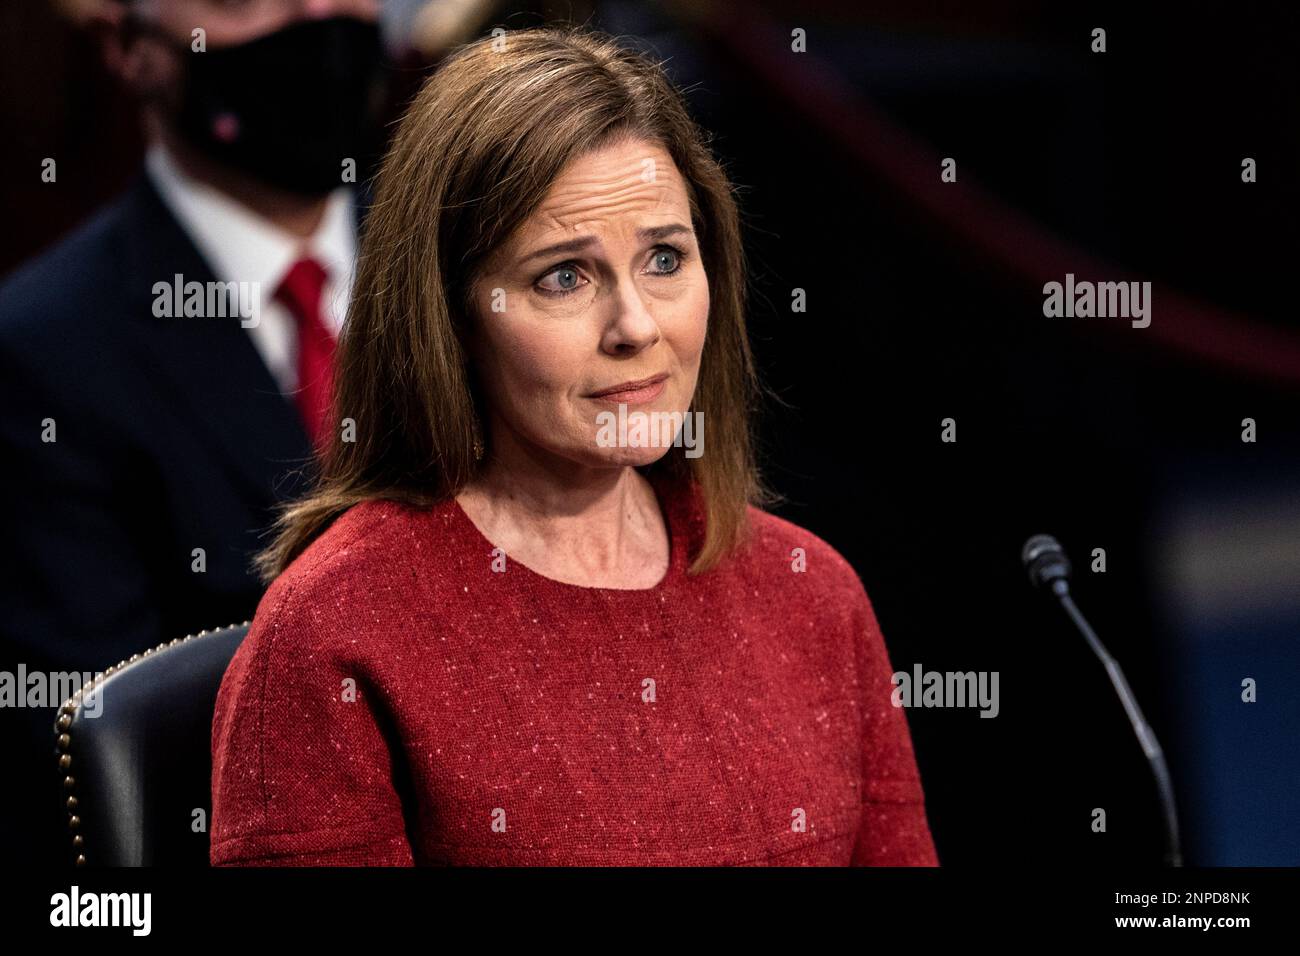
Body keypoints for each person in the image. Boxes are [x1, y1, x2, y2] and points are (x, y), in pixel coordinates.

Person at [209, 25, 939, 866]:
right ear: (447, 314)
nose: (636, 326)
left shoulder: (814, 595)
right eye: (565, 276)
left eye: (665, 258)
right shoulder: (333, 632)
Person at [0, 0, 385, 862]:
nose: (318, 19)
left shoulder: (481, 265)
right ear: (130, 46)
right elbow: (115, 761)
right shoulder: (41, 359)